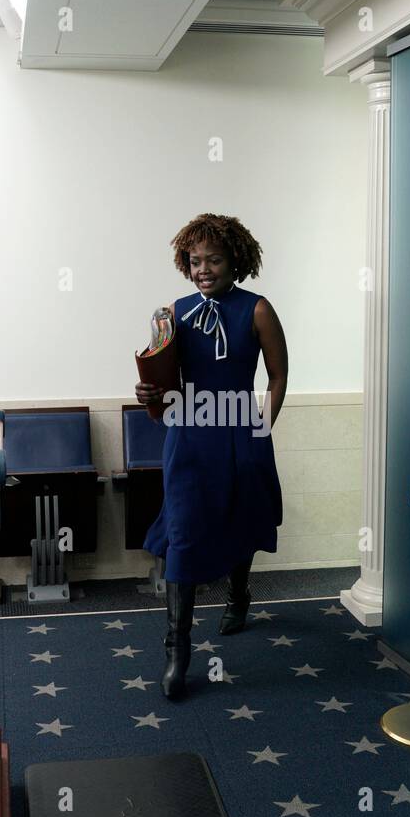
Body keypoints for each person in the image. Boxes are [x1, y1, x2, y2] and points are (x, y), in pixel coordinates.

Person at [135, 213, 288, 700]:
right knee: (182, 531)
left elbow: (279, 375)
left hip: (241, 430)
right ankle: (177, 651)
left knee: (241, 517)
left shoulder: (258, 309)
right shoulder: (172, 314)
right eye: (195, 260)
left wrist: (264, 423)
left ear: (235, 261)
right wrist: (149, 394)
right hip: (189, 435)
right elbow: (165, 387)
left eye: (214, 259)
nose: (204, 268)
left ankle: (239, 594)